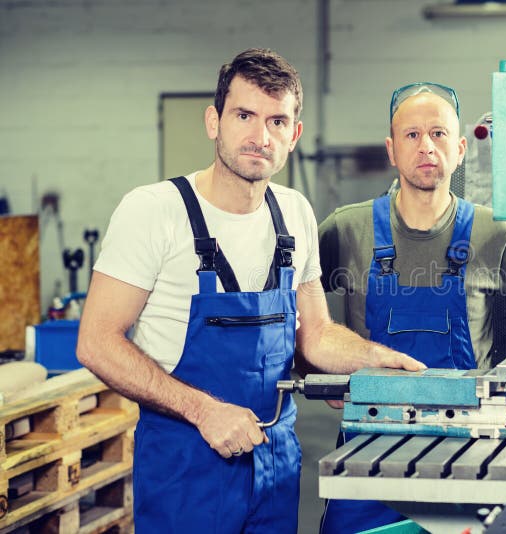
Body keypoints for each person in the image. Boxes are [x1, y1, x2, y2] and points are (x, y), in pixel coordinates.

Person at [76, 49, 424, 533]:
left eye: (278, 121)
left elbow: (316, 333)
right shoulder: (154, 211)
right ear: (213, 121)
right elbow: (96, 342)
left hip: (275, 463)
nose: (261, 136)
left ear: (294, 135)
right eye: (244, 115)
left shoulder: (295, 212)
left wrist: (374, 360)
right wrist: (203, 411)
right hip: (186, 466)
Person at [317, 82, 506, 533]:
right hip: (363, 458)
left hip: (468, 460)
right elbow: (290, 308)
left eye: (439, 134)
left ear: (460, 149)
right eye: (412, 135)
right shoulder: (346, 229)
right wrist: (320, 369)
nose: (427, 146)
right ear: (391, 149)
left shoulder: (493, 232)